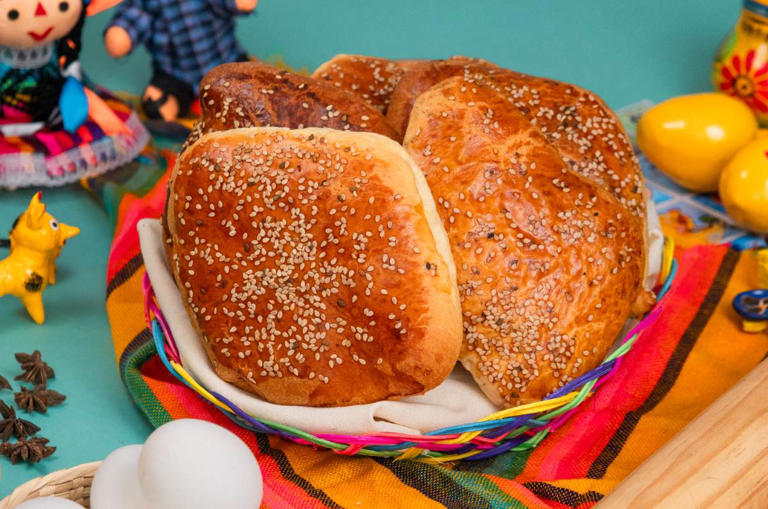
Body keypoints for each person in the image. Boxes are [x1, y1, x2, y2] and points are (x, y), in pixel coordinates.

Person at [104, 0, 258, 122]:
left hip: (224, 63)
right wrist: (120, 35)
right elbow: (131, 20)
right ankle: (176, 102)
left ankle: (228, 100)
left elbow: (242, 4)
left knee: (248, 94)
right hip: (174, 75)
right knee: (156, 104)